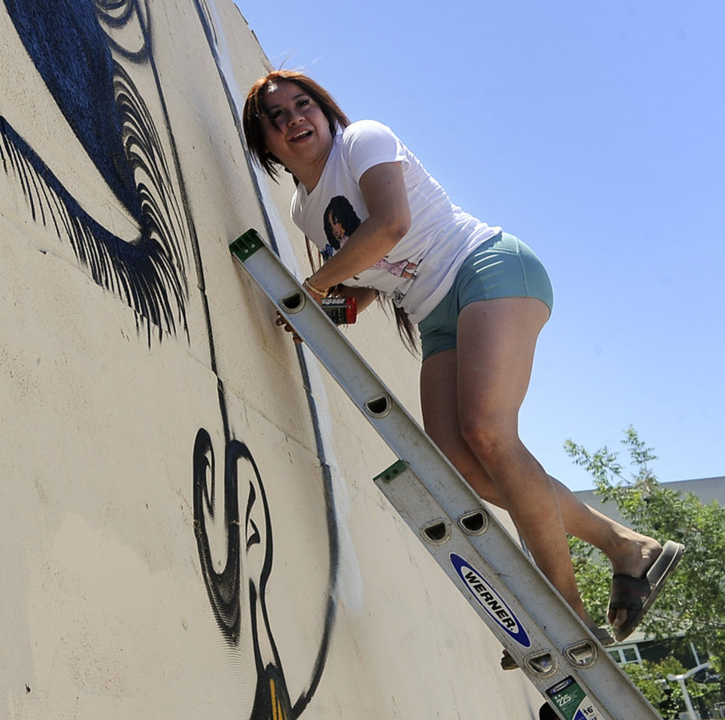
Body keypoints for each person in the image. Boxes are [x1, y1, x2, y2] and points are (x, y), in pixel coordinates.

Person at [241, 69, 684, 648]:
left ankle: (569, 621)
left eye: (303, 105)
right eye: (276, 118)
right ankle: (627, 547)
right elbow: (373, 276)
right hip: (435, 316)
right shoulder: (305, 210)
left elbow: (391, 225)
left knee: (487, 431)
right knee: (463, 466)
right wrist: (326, 311)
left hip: (486, 268)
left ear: (325, 111)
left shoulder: (363, 140)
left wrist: (317, 285)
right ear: (265, 142)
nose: (294, 119)